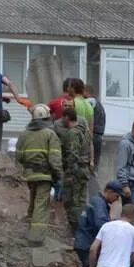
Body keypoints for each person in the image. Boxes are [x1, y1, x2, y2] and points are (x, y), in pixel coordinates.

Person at [60, 181, 121, 267]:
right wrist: (114, 225)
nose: (117, 200)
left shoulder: (96, 201)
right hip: (88, 244)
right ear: (110, 191)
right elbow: (101, 224)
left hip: (84, 242)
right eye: (117, 196)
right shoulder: (99, 203)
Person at [14, 104, 63, 242]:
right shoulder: (50, 134)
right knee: (41, 205)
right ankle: (35, 238)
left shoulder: (24, 134)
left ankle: (28, 230)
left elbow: (18, 157)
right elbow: (54, 159)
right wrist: (59, 175)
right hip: (44, 175)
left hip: (29, 175)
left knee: (33, 202)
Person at [54, 105, 91, 233]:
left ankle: (76, 232)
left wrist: (68, 174)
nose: (61, 121)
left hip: (75, 173)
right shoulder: (85, 132)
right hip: (84, 171)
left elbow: (72, 155)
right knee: (80, 202)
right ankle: (82, 230)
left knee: (72, 203)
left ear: (67, 117)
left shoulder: (73, 133)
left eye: (62, 118)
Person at [68, 79, 94, 163]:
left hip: (74, 144)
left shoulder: (72, 103)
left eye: (69, 86)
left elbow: (66, 123)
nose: (67, 89)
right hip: (85, 148)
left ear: (73, 88)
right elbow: (91, 130)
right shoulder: (89, 106)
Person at [84, 83, 105, 168]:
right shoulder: (99, 104)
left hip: (93, 136)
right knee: (94, 167)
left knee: (88, 167)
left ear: (85, 92)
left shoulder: (90, 101)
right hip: (98, 136)